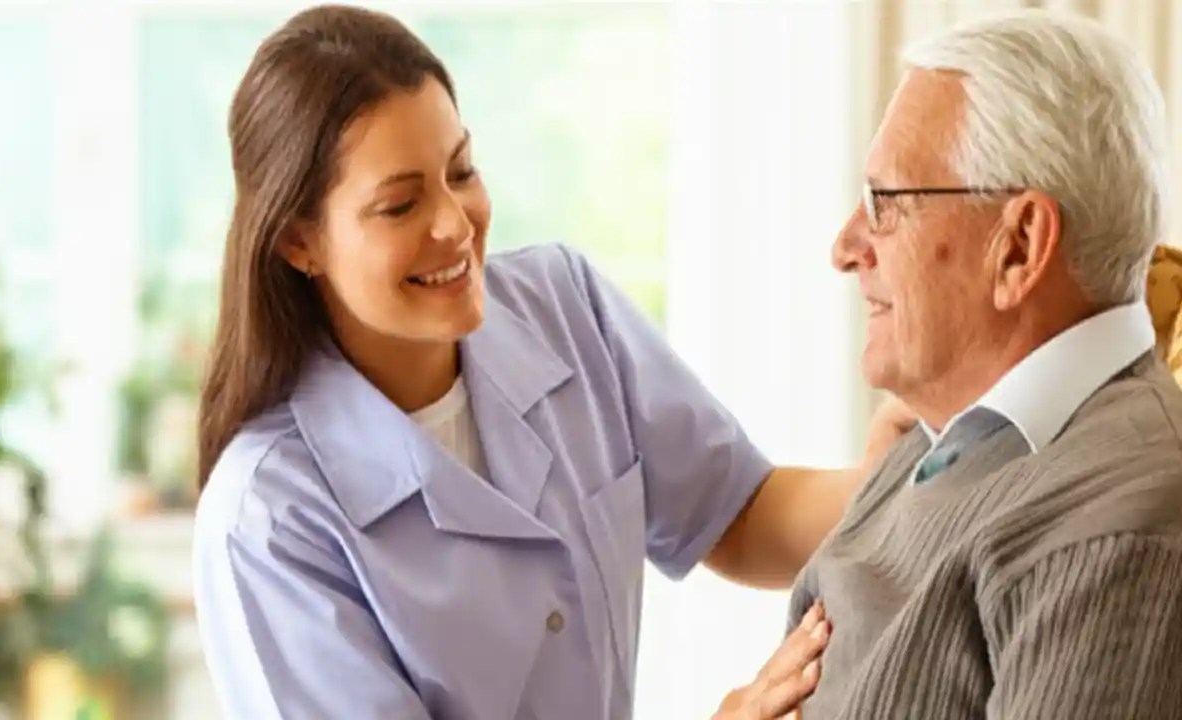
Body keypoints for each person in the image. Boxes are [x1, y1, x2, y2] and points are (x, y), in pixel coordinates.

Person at [190, 5, 909, 719]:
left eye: (461, 170)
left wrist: (885, 482)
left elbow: (739, 514)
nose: (455, 223)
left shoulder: (563, 307)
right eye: (400, 205)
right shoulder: (269, 518)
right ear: (298, 243)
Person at [716, 9, 1182, 720]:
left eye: (885, 203)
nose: (845, 248)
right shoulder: (938, 442)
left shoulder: (1122, 526)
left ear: (1020, 246)